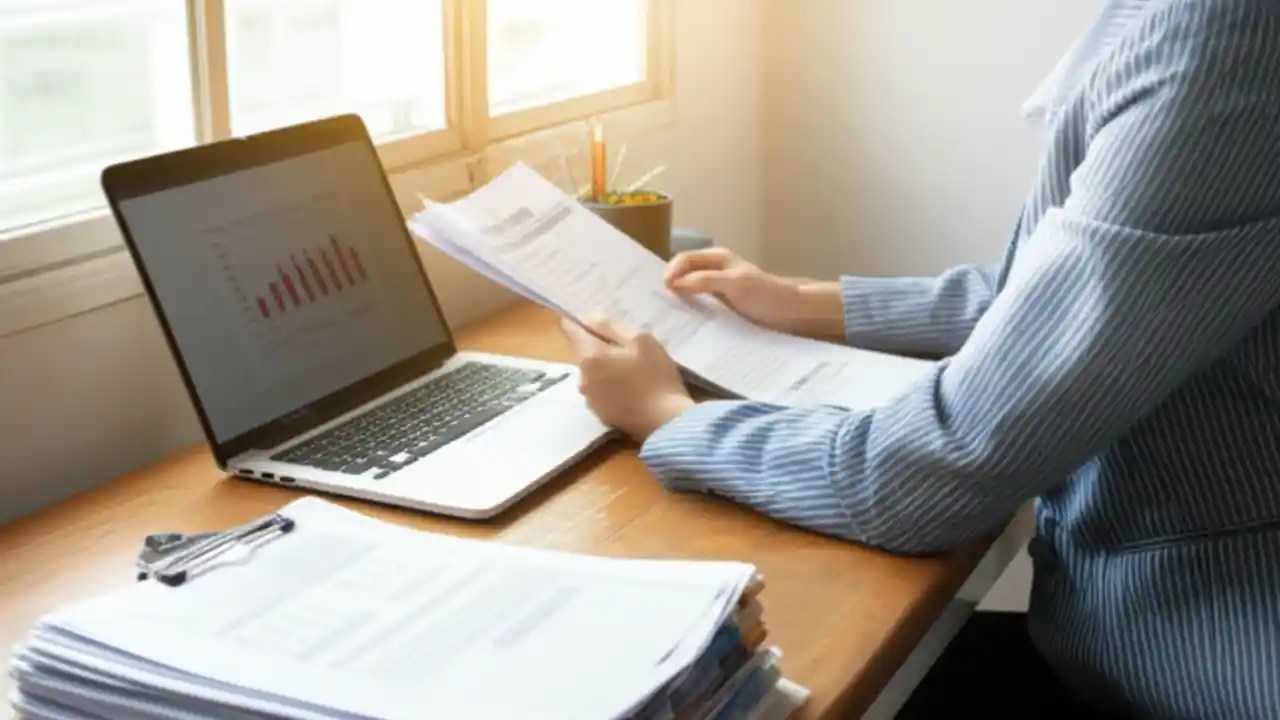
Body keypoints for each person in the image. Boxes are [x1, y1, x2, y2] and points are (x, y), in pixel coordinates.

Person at [559, 1, 1280, 717]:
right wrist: (800, 299)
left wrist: (669, 418)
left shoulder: (1227, 38)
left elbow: (934, 474)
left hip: (1207, 654)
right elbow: (1067, 287)